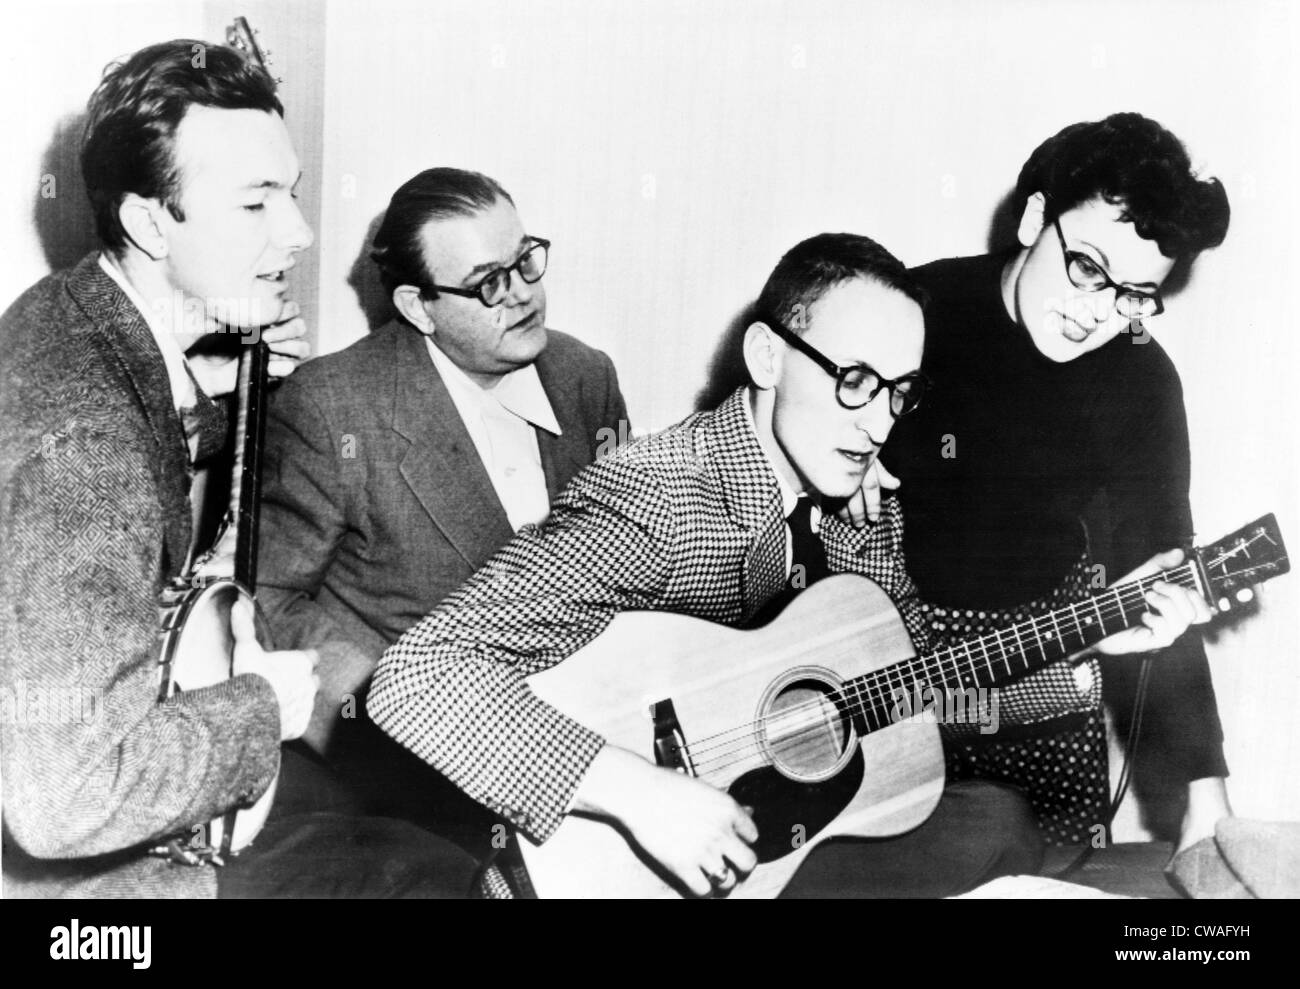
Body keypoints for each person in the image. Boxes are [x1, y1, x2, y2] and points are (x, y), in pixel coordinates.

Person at [367, 232, 1209, 898]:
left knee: (997, 822)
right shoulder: (662, 500)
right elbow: (415, 677)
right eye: (853, 379)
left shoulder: (862, 518)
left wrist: (1090, 659)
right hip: (602, 853)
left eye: (900, 392)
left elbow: (916, 695)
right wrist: (644, 795)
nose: (878, 422)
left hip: (774, 847)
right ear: (768, 359)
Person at [0, 39, 473, 897]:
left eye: (287, 194)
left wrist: (210, 389)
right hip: (73, 887)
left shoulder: (73, 319)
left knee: (390, 832)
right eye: (256, 205)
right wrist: (264, 703)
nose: (296, 234)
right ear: (150, 221)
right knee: (435, 874)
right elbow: (62, 801)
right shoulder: (84, 445)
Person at [885, 112, 1232, 864]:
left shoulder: (1141, 382)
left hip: (1042, 694)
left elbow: (1155, 570)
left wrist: (1206, 796)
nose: (1097, 311)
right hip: (880, 682)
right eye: (1086, 269)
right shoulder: (913, 312)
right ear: (1036, 217)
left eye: (1136, 293)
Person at [257, 167, 629, 848]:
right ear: (418, 306)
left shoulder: (585, 377)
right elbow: (271, 599)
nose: (522, 295)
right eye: (489, 282)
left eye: (525, 261)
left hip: (586, 744)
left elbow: (633, 556)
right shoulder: (333, 404)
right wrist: (381, 713)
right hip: (415, 782)